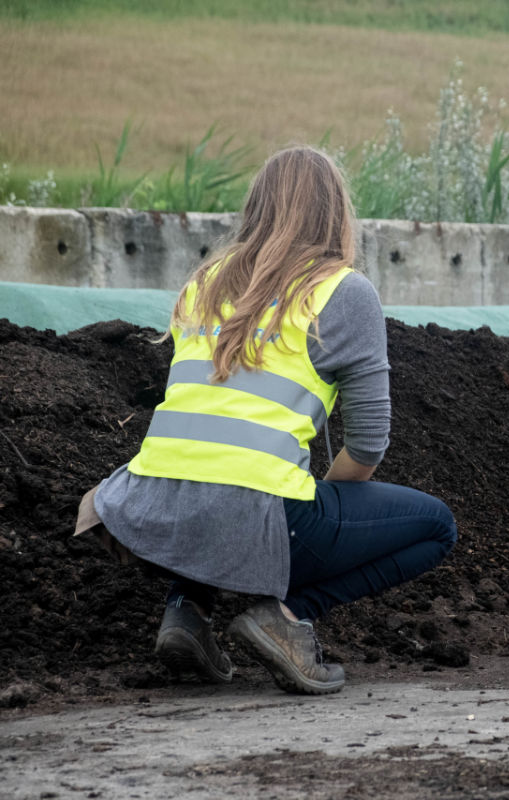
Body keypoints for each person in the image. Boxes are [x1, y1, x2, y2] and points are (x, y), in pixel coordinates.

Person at [74, 146, 457, 694]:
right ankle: (283, 614)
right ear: (336, 214)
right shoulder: (343, 292)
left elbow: (202, 420)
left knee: (217, 482)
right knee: (437, 526)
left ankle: (187, 611)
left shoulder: (204, 280)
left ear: (256, 208)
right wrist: (306, 518)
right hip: (250, 510)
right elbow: (369, 444)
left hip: (149, 508)